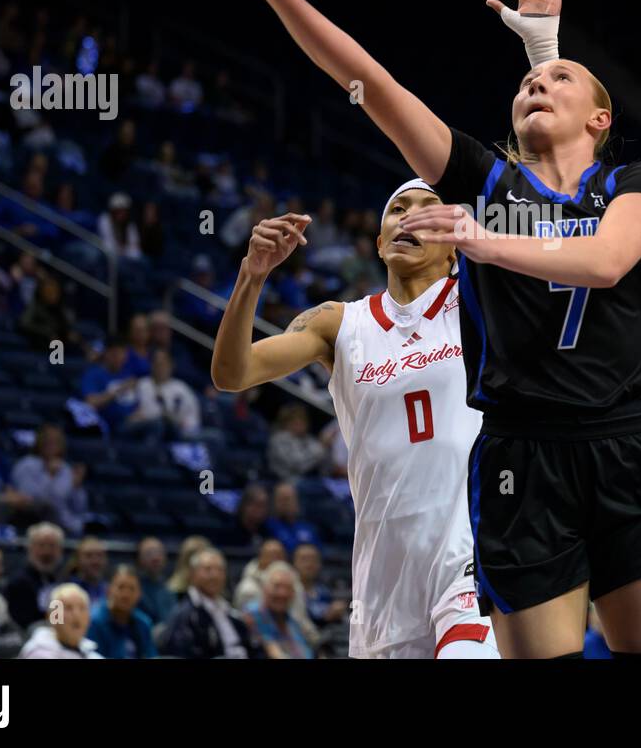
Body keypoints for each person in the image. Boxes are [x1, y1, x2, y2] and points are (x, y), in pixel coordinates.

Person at [222, 0, 641, 658]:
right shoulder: (486, 185)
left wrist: (483, 239)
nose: (534, 89)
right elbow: (372, 85)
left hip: (629, 448)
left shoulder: (633, 184)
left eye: (556, 83)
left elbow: (604, 259)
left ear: (601, 121)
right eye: (526, 87)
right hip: (524, 458)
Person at [211, 176, 495, 659]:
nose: (410, 215)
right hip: (383, 575)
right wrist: (252, 276)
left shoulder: (478, 305)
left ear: (453, 248)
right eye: (399, 208)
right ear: (381, 244)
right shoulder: (338, 323)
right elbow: (232, 373)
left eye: (429, 209)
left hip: (467, 554)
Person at [158, 548, 264, 659]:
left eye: (220, 570)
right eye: (208, 569)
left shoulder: (231, 612)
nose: (215, 575)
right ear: (192, 574)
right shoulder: (184, 614)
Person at [11, 424, 89, 535]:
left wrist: (76, 486)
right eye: (48, 440)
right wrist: (50, 477)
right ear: (39, 442)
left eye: (56, 441)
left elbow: (79, 507)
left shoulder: (65, 468)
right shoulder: (26, 465)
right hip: (37, 523)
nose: (52, 445)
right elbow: (31, 500)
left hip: (67, 523)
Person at [245, 560, 315, 659]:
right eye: (277, 586)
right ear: (264, 588)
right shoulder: (253, 614)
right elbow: (273, 652)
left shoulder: (292, 621)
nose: (282, 594)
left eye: (288, 588)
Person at [86, 565, 157, 659]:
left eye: (132, 589)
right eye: (121, 587)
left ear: (139, 594)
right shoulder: (94, 621)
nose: (126, 595)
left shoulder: (143, 623)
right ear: (109, 590)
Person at [3, 522, 65, 629]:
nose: (46, 552)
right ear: (30, 548)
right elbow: (23, 625)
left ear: (60, 550)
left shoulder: (60, 582)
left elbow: (59, 619)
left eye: (52, 545)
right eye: (41, 545)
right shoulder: (18, 583)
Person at [19, 582, 103, 658]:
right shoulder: (38, 654)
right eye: (68, 608)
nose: (76, 615)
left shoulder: (93, 655)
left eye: (82, 608)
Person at [134, 537, 175, 625]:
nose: (155, 558)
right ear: (139, 559)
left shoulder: (168, 587)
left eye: (159, 553)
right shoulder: (134, 588)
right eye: (149, 554)